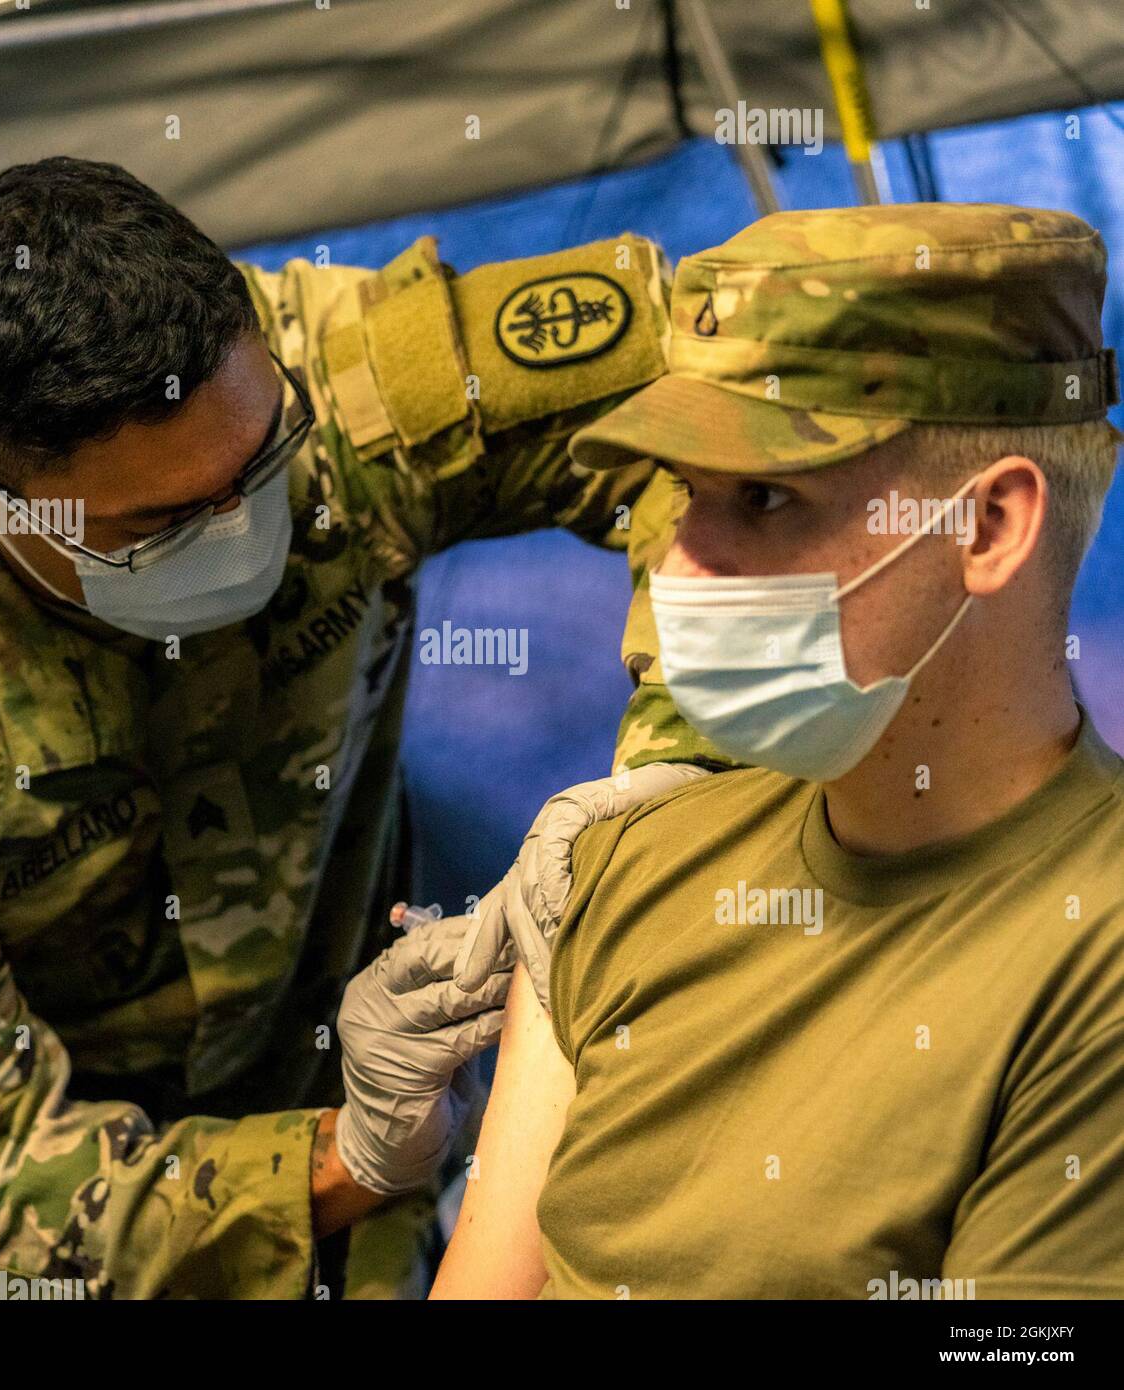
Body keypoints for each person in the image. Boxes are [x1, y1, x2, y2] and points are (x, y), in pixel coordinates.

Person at [0, 155, 699, 1300]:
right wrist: (357, 1154)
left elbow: (732, 382)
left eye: (264, 466)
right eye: (165, 525)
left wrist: (681, 749)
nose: (244, 529)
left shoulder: (337, 383)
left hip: (349, 1110)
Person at [431, 202, 1124, 1299]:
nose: (681, 568)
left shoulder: (1094, 959)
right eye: (682, 496)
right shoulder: (621, 867)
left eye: (764, 497)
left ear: (985, 528)